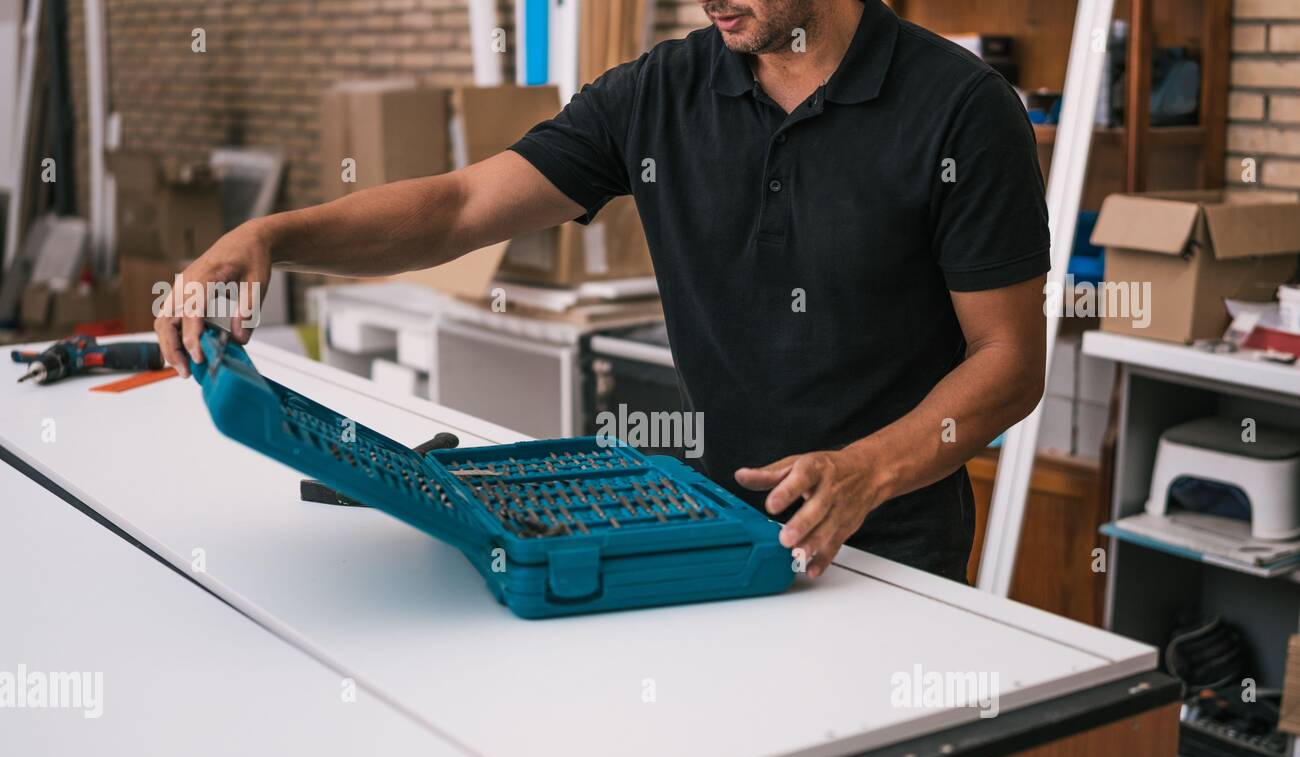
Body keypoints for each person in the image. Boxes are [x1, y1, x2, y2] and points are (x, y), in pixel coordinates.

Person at [157, 0, 1049, 583]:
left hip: (889, 549)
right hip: (709, 526)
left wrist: (862, 472)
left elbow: (1008, 361)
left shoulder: (962, 110)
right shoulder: (659, 92)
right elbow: (459, 207)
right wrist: (269, 235)